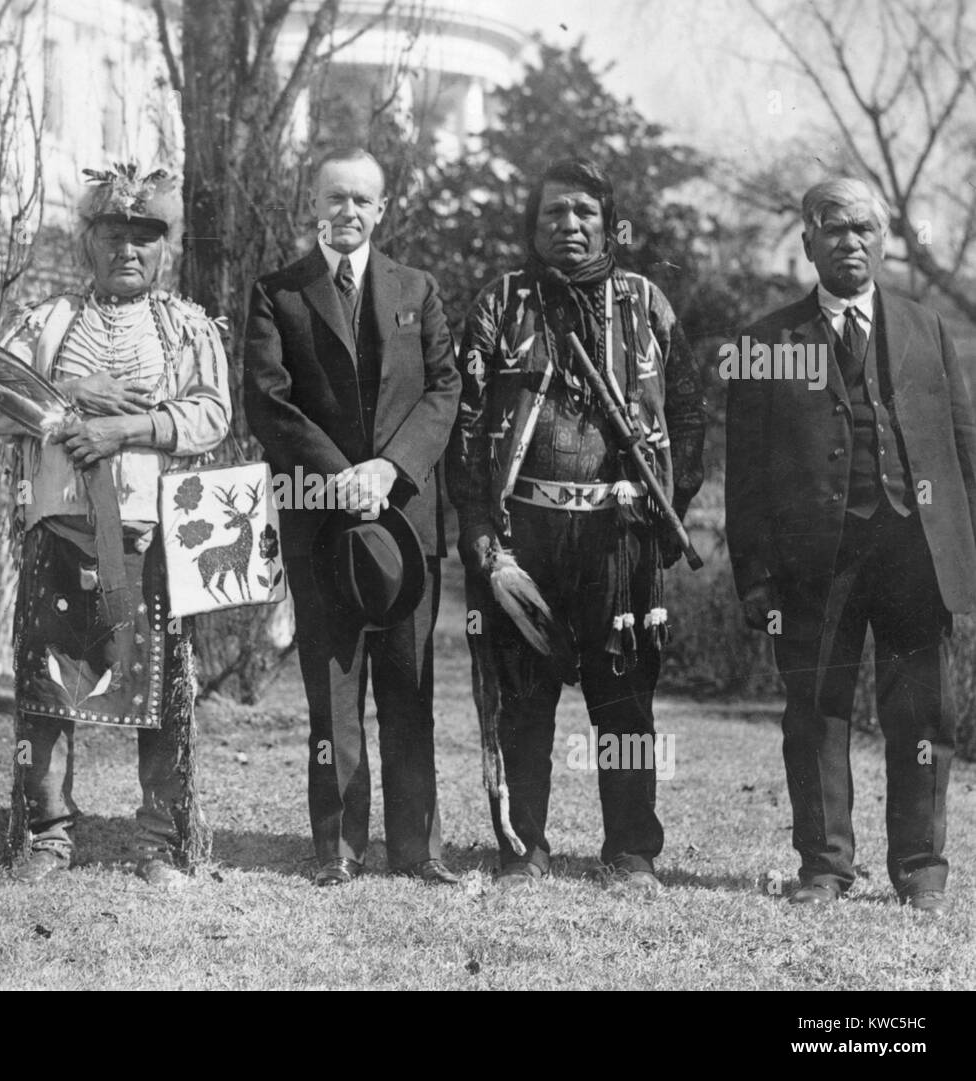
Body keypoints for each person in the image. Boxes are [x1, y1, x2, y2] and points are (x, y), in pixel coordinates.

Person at [449, 158, 705, 893]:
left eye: (584, 213)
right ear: (534, 226)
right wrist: (476, 526)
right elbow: (467, 426)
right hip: (522, 535)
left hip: (619, 536)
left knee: (623, 696)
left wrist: (670, 508)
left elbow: (688, 412)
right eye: (554, 212)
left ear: (608, 223)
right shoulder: (502, 303)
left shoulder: (646, 304)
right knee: (523, 698)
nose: (569, 225)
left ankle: (630, 850)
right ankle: (523, 848)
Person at [726, 178, 976, 916]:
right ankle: (825, 866)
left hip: (915, 553)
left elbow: (966, 451)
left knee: (925, 714)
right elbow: (744, 474)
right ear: (807, 239)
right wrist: (754, 579)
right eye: (834, 227)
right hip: (813, 564)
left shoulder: (927, 328)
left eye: (866, 227)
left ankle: (922, 867)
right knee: (814, 712)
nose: (852, 240)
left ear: (886, 237)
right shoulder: (768, 342)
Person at [0, 163, 230, 890]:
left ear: (164, 248)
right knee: (46, 690)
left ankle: (156, 839)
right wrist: (67, 397)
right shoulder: (45, 322)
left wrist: (125, 428)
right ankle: (48, 833)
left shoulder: (185, 325)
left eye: (144, 238)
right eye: (114, 236)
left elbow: (212, 415)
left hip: (151, 536)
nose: (128, 251)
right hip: (60, 529)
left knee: (159, 693)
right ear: (88, 241)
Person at [244, 148, 461, 887]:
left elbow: (445, 389)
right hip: (321, 521)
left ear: (382, 210)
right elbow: (268, 402)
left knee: (409, 686)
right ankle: (337, 847)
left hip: (405, 522)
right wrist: (341, 476)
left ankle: (416, 848)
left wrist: (389, 468)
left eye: (362, 200)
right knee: (333, 689)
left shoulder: (418, 289)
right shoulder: (278, 293)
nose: (348, 212)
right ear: (315, 204)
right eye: (336, 197)